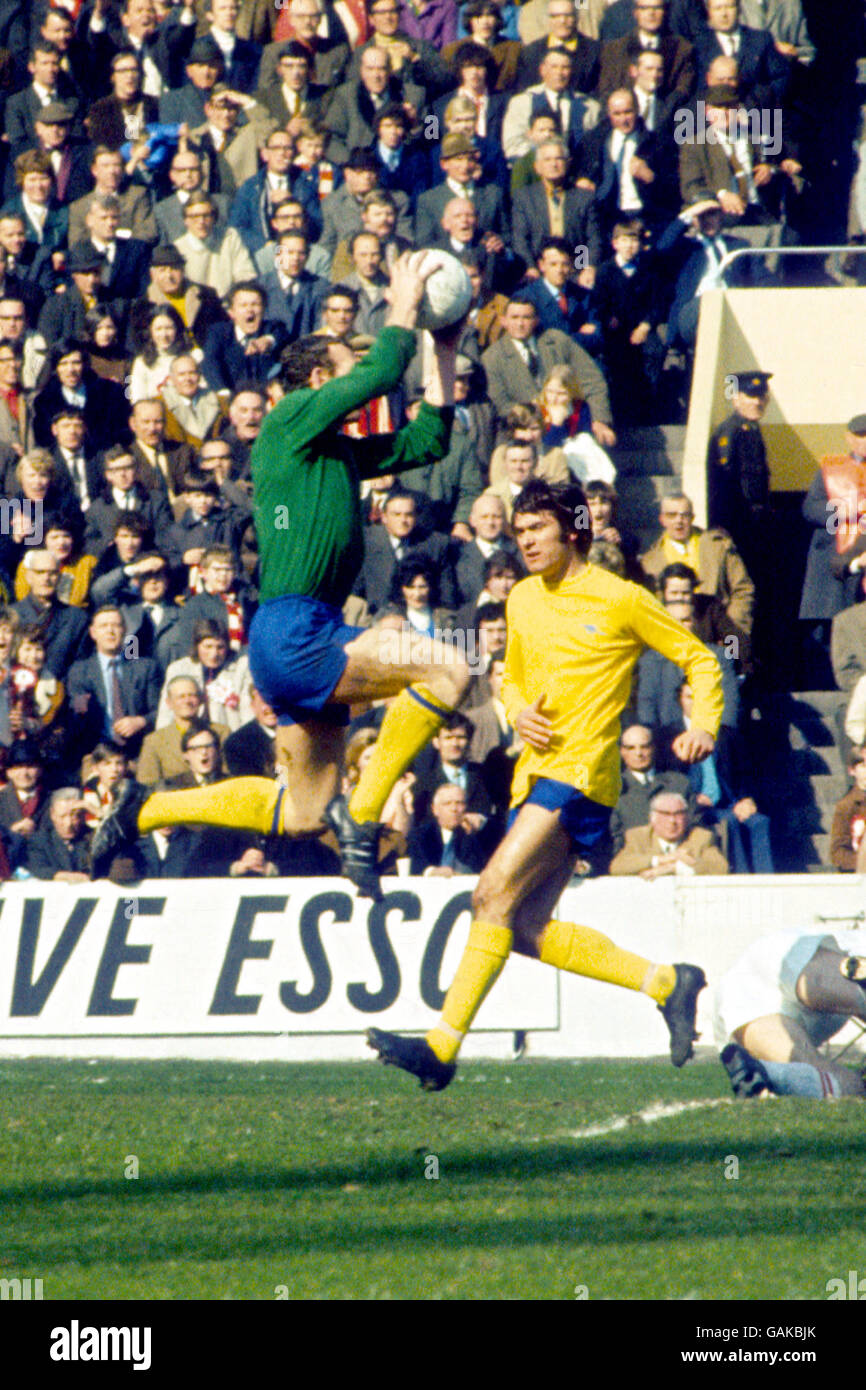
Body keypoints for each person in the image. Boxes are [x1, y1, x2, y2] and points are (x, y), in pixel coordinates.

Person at [91, 254, 470, 900]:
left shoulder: (335, 448)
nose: (356, 381)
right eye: (342, 372)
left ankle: (144, 810)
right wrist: (402, 304)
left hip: (294, 634)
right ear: (319, 379)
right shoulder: (289, 419)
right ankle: (367, 809)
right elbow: (381, 370)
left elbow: (429, 440)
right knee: (452, 670)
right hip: (298, 629)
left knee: (300, 815)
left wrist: (445, 346)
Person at [367, 476, 724, 1090]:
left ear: (573, 531)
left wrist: (705, 725)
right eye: (520, 529)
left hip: (581, 775)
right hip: (535, 777)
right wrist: (517, 706)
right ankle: (668, 983)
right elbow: (512, 678)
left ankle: (441, 1046)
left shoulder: (622, 597)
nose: (525, 540)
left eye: (538, 529)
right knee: (524, 927)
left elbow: (701, 657)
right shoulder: (524, 599)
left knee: (489, 892)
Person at [716, 929, 866, 1099]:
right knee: (841, 986)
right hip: (797, 956)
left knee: (825, 1078)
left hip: (738, 996)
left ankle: (765, 1072)